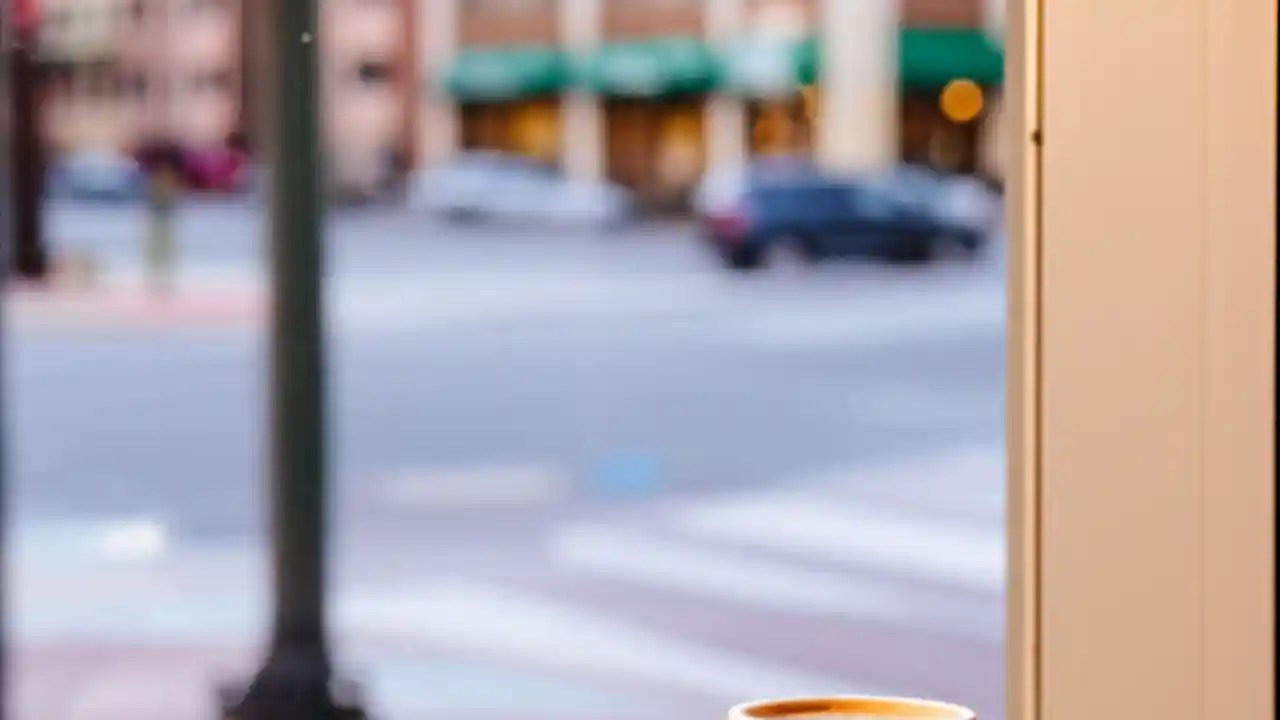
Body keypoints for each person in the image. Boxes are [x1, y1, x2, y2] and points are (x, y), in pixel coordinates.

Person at [136, 138, 184, 295]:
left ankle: (162, 279)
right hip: (158, 217)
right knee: (157, 249)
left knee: (164, 249)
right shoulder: (158, 180)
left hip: (164, 218)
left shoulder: (167, 179)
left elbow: (169, 198)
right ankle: (157, 279)